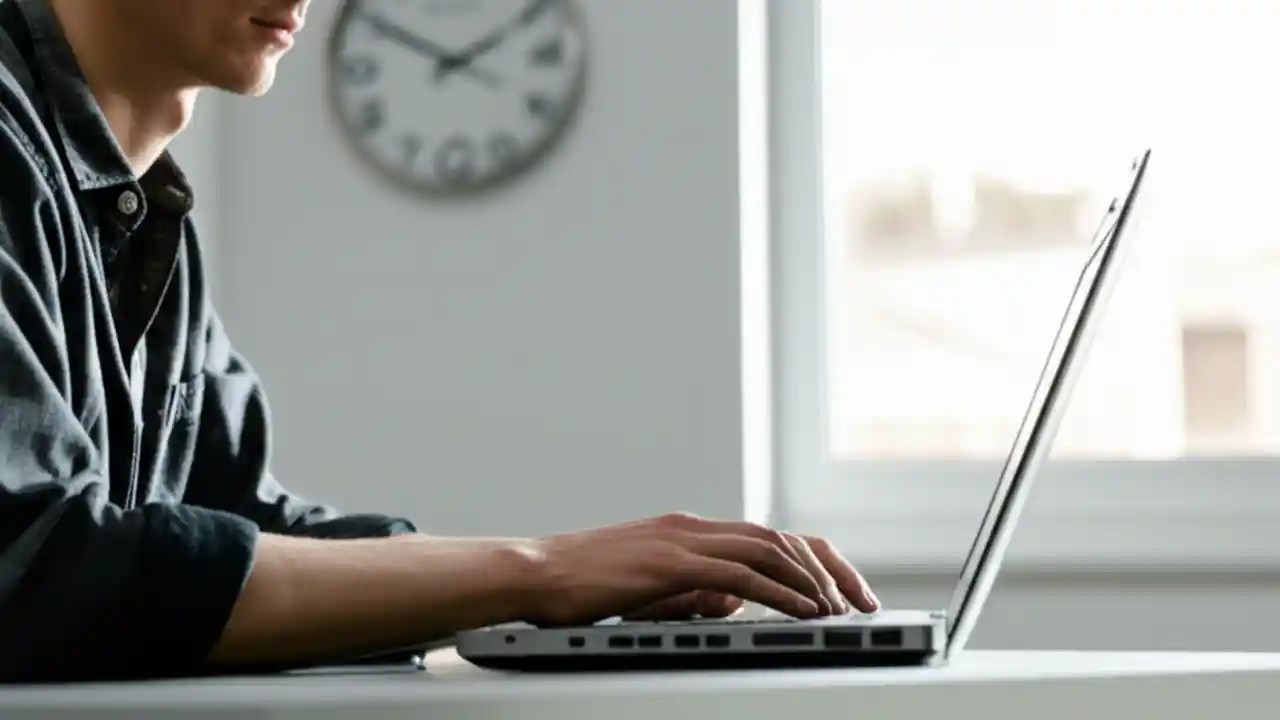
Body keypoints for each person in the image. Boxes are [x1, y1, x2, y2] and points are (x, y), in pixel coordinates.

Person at [0, 0, 878, 682]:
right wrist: (536, 572)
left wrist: (584, 582)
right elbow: (42, 565)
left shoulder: (146, 216)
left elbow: (243, 527)